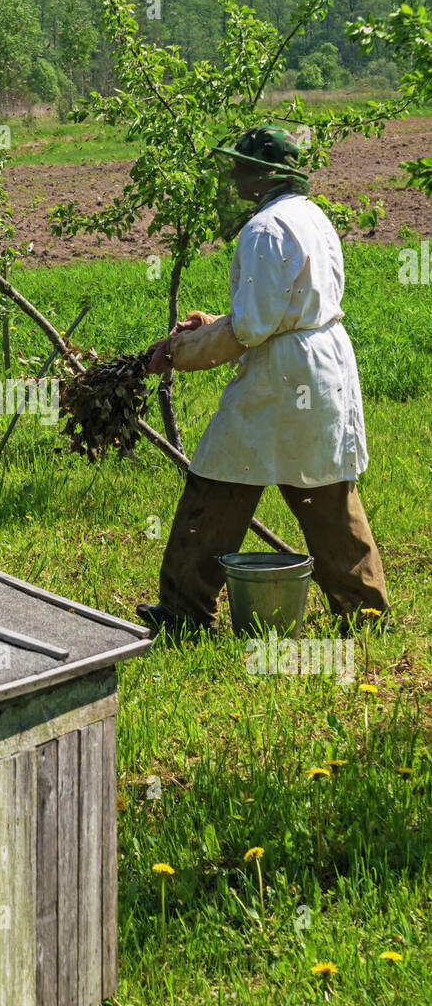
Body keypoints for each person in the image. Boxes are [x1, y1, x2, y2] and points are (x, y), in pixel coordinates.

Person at [137, 125, 390, 641]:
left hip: (281, 373)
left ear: (264, 173)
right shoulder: (311, 216)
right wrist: (211, 327)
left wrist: (182, 351)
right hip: (321, 365)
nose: (233, 176)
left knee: (217, 479)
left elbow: (252, 327)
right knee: (327, 492)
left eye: (241, 167)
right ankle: (365, 613)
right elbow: (274, 310)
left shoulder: (264, 229)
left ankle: (184, 613)